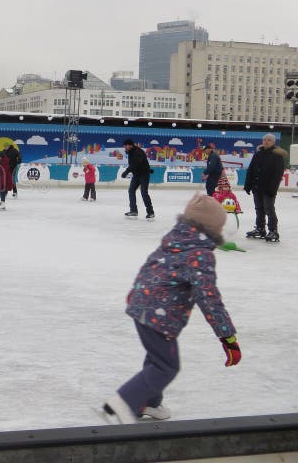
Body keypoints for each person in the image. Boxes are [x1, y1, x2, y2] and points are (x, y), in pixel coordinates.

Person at [102, 193, 240, 424]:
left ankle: (149, 403)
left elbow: (150, 265)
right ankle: (124, 402)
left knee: (156, 357)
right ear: (211, 227)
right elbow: (209, 297)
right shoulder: (200, 254)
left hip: (141, 305)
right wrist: (227, 336)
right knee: (166, 365)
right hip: (160, 315)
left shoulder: (175, 239)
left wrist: (136, 294)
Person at [243, 133, 287, 242]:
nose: (266, 141)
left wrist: (272, 189)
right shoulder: (258, 154)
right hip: (257, 187)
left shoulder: (277, 156)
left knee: (269, 209)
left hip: (268, 189)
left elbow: (277, 175)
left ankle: (273, 231)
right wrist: (248, 185)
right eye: (265, 140)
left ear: (273, 142)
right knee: (259, 209)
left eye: (269, 140)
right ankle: (260, 229)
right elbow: (251, 170)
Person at [121, 139, 155, 219]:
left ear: (130, 145)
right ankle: (133, 211)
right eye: (124, 146)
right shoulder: (131, 152)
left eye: (125, 146)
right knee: (131, 190)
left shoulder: (137, 152)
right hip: (136, 175)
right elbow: (138, 164)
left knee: (144, 192)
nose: (125, 147)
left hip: (144, 175)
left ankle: (150, 212)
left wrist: (126, 171)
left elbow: (136, 163)